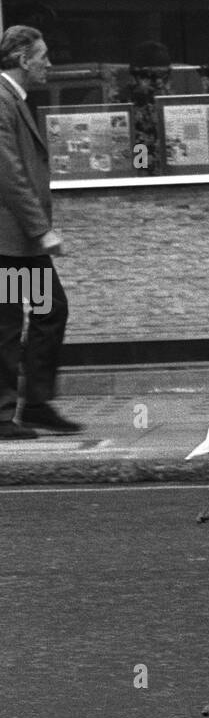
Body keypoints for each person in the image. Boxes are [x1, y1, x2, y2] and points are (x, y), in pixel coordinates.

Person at [0, 25, 81, 439]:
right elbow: (8, 174)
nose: (49, 63)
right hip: (10, 242)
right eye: (42, 55)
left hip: (21, 243)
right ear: (21, 58)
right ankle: (8, 413)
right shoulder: (1, 99)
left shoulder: (15, 99)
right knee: (11, 322)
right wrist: (41, 230)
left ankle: (34, 404)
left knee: (48, 312)